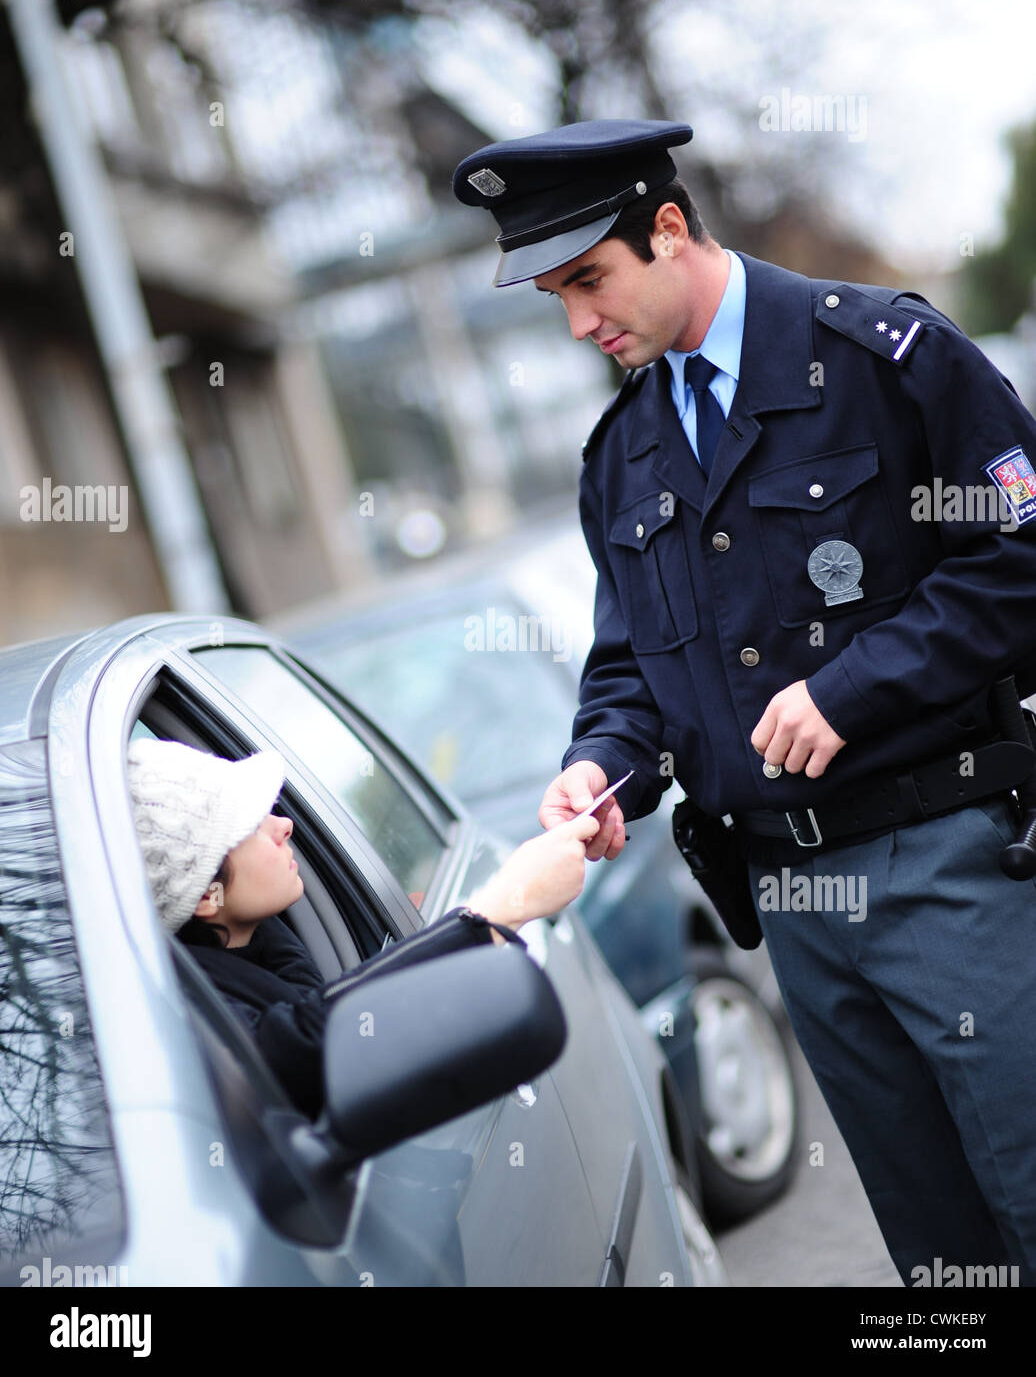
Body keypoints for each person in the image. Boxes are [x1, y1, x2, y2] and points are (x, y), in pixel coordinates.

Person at [452, 118, 1036, 1287]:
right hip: (794, 909)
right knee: (939, 1259)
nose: (578, 323)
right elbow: (632, 667)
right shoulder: (622, 454)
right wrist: (600, 767)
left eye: (588, 281)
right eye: (557, 298)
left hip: (948, 864)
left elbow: (1016, 557)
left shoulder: (881, 358)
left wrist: (854, 688)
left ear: (667, 229)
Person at [126, 737, 598, 1118]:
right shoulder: (203, 1022)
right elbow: (307, 1053)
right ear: (205, 896)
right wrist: (506, 905)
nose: (284, 824)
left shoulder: (263, 943)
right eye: (249, 826)